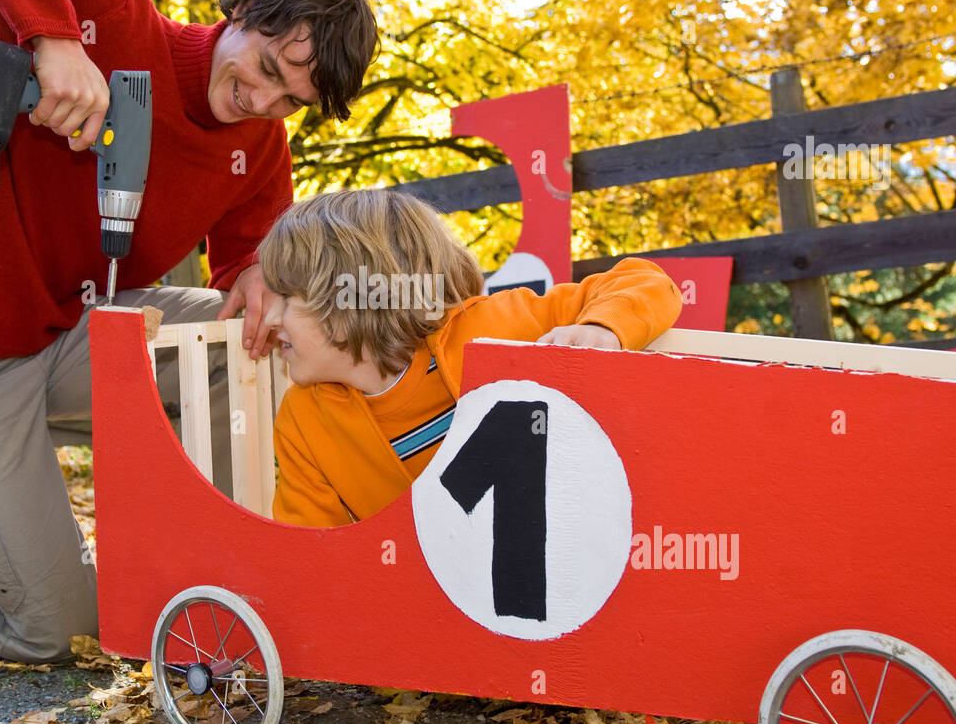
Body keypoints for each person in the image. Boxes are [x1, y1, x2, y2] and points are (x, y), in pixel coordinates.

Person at [0, 0, 378, 661]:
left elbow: (246, 272)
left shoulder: (259, 146)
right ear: (242, 12)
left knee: (248, 333)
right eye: (267, 69)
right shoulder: (106, 14)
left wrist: (259, 277)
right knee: (56, 631)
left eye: (291, 101)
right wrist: (53, 36)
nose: (262, 102)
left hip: (69, 338)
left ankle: (218, 562)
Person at [258, 189, 683, 527]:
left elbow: (648, 281)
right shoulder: (303, 419)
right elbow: (310, 553)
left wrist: (602, 328)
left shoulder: (497, 326)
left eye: (288, 298)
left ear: (360, 298)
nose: (269, 318)